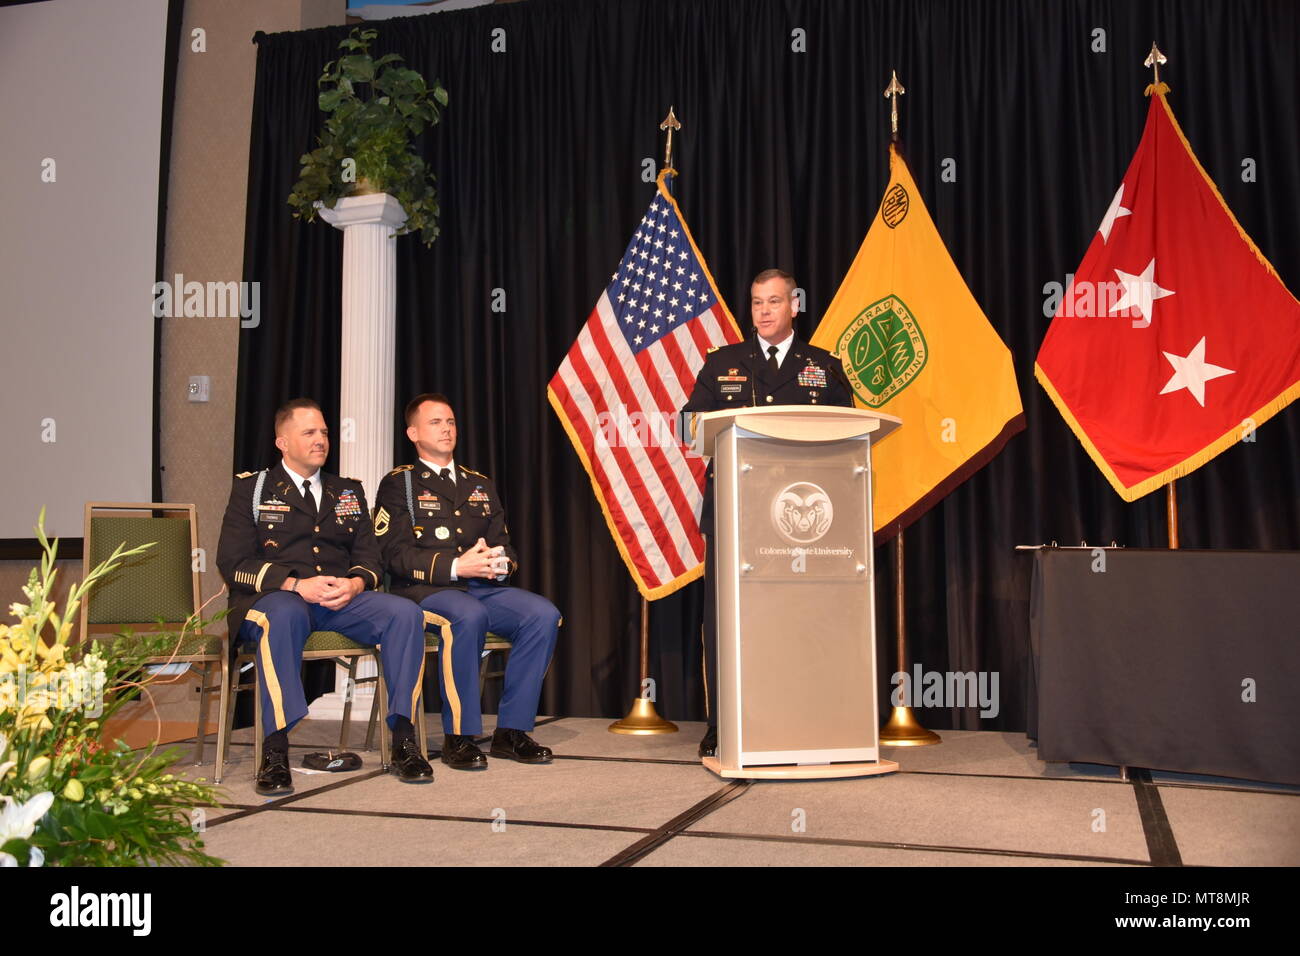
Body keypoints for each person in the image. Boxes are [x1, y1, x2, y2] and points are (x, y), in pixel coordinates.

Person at [217, 398, 434, 795]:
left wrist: (354, 583)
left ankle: (404, 737)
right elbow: (232, 563)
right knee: (283, 615)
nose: (321, 440)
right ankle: (275, 749)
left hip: (339, 601)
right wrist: (295, 584)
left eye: (325, 433)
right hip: (275, 601)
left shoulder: (346, 491)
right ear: (283, 442)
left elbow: (370, 556)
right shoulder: (252, 489)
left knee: (404, 614)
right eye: (310, 433)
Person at [680, 269, 854, 757]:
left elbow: (850, 431)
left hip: (807, 525)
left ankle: (806, 717)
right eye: (756, 302)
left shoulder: (823, 365)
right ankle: (724, 723)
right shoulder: (724, 363)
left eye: (773, 302)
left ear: (794, 305)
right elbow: (688, 425)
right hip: (737, 516)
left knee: (804, 619)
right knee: (727, 622)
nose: (763, 311)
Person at [374, 393, 561, 770]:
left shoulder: (479, 484)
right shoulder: (401, 484)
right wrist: (457, 566)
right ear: (413, 433)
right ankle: (459, 735)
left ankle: (511, 731)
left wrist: (500, 564)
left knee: (542, 614)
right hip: (424, 590)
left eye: (451, 422)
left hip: (480, 587)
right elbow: (394, 555)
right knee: (467, 616)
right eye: (435, 423)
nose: (446, 429)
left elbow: (504, 546)